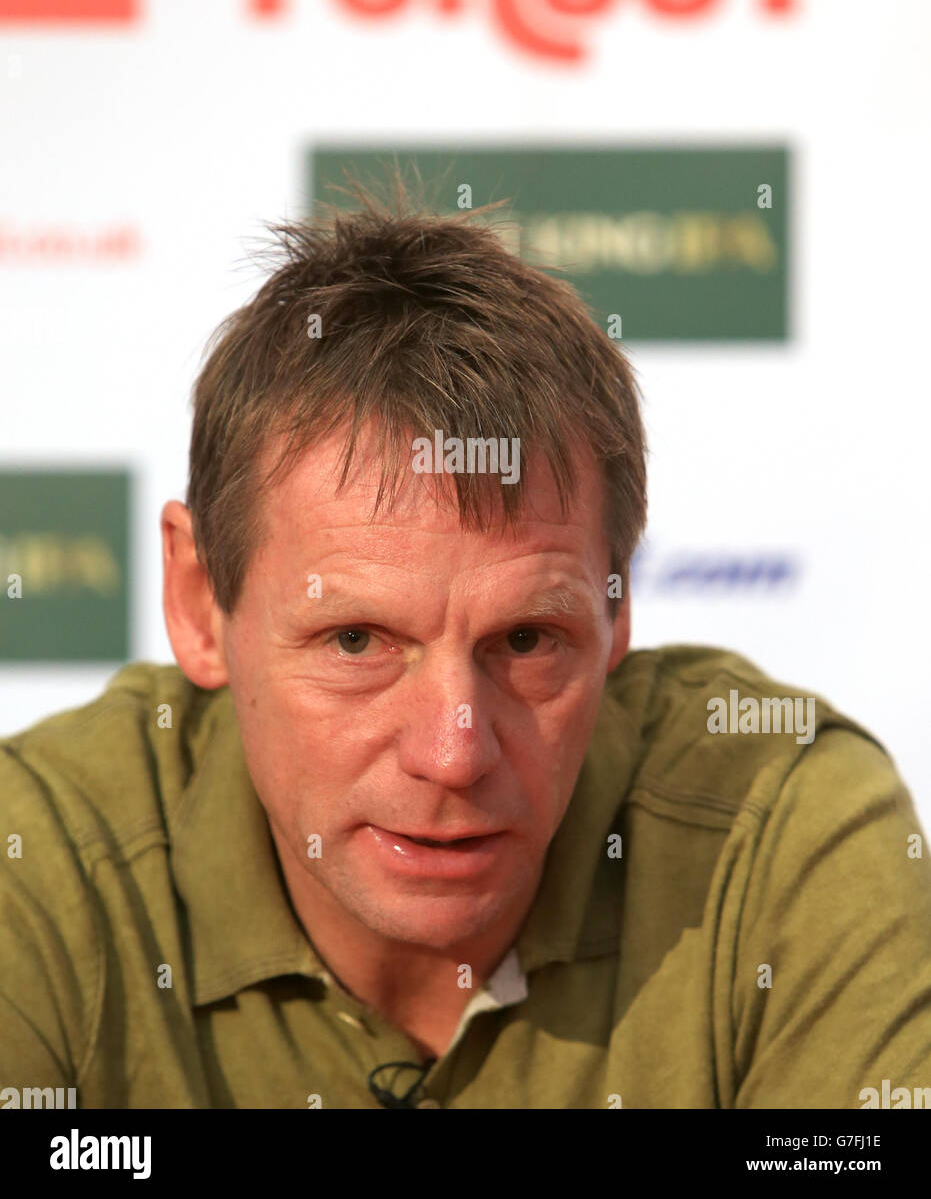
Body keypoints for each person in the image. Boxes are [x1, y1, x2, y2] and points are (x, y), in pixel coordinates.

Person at [2, 177, 930, 1110]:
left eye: (526, 640)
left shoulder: (776, 826)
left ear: (619, 611)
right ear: (200, 603)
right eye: (357, 640)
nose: (453, 753)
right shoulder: (40, 865)